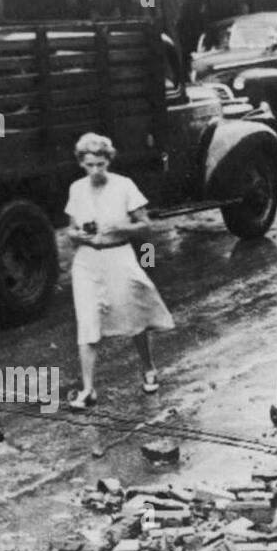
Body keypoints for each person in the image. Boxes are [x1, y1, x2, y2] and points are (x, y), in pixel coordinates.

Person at [64, 134, 174, 409]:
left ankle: (148, 368)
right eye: (90, 165)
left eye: (101, 164)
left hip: (119, 256)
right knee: (87, 322)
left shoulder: (124, 186)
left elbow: (146, 225)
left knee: (132, 314)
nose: (96, 170)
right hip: (87, 261)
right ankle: (88, 389)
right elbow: (70, 229)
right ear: (81, 163)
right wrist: (78, 235)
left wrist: (119, 228)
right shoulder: (76, 189)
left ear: (109, 161)